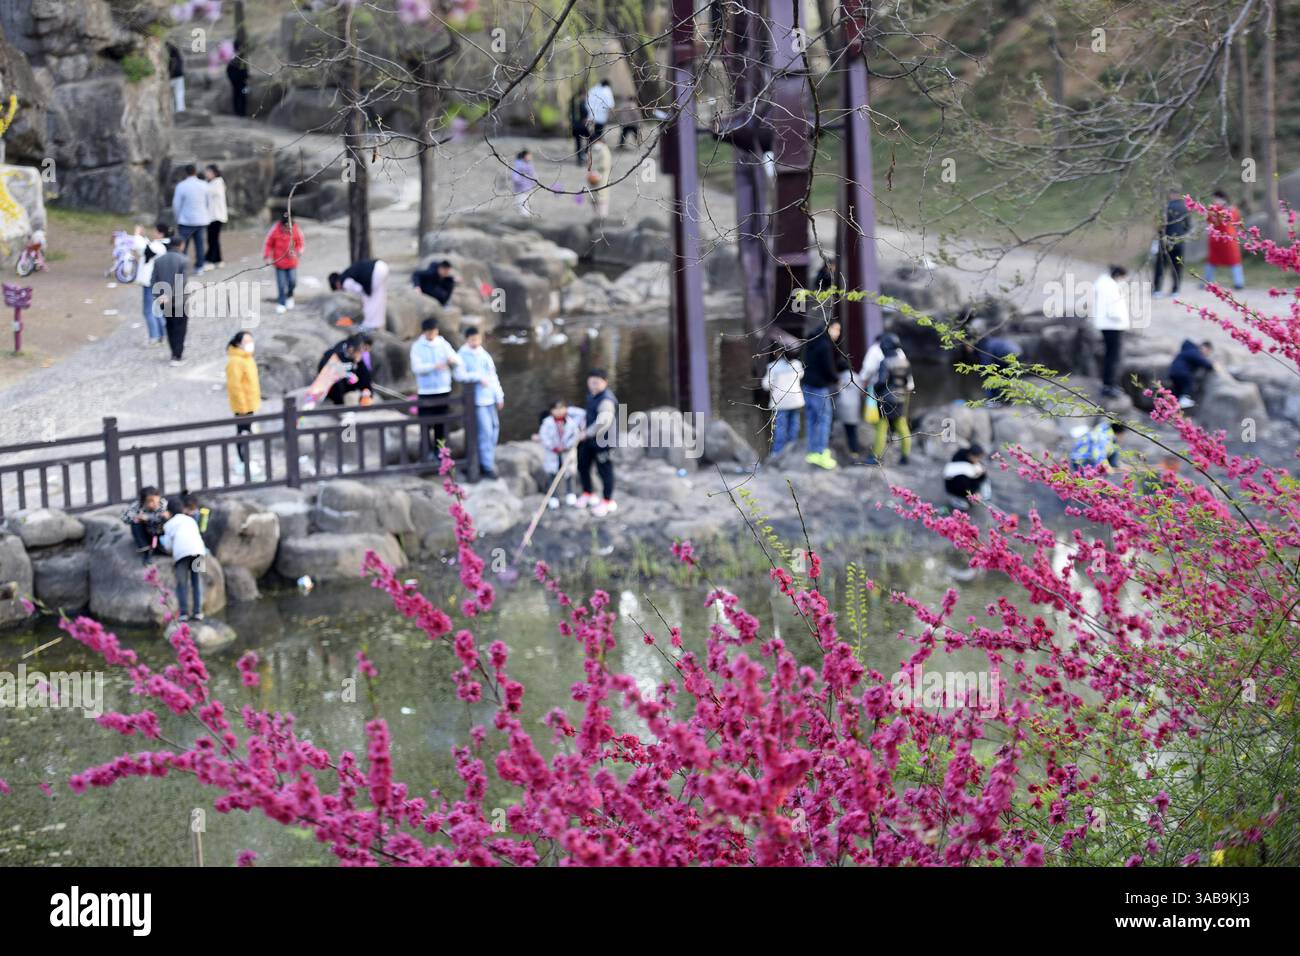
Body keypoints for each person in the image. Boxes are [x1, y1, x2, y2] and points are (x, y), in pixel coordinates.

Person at [409, 317, 463, 458]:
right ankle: (425, 454)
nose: (432, 334)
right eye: (429, 332)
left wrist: (452, 361)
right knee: (425, 424)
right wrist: (434, 366)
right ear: (425, 332)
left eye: (434, 331)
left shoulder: (443, 344)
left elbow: (457, 359)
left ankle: (442, 454)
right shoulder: (417, 347)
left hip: (443, 390)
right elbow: (417, 367)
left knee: (442, 424)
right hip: (426, 391)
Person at [458, 326, 505, 479]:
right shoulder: (462, 355)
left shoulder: (484, 355)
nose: (475, 342)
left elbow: (493, 376)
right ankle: (486, 465)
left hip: (489, 398)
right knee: (485, 432)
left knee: (494, 429)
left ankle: (487, 459)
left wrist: (499, 396)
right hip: (476, 401)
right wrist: (478, 377)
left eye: (477, 339)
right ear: (467, 339)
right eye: (472, 340)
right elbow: (460, 375)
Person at [865, 332, 914, 466]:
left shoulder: (885, 362)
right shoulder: (905, 362)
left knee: (881, 427)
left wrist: (872, 390)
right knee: (902, 426)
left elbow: (882, 382)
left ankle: (875, 457)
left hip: (886, 400)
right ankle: (905, 456)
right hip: (901, 399)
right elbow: (906, 382)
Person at [801, 318, 841, 469]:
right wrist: (837, 379)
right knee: (824, 420)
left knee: (811, 420)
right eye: (836, 329)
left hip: (807, 386)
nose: (838, 334)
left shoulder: (812, 340)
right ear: (828, 328)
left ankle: (811, 452)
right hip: (819, 388)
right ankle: (821, 453)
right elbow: (828, 369)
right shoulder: (825, 345)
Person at [577, 368, 618, 516]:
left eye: (597, 382)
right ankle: (588, 493)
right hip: (589, 440)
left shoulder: (606, 400)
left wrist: (586, 433)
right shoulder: (591, 395)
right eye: (591, 382)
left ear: (605, 382)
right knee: (583, 465)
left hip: (603, 442)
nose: (593, 385)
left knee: (604, 470)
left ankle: (607, 501)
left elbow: (603, 422)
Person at [162, 493, 208, 622]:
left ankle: (183, 613)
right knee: (197, 581)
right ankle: (198, 612)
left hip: (182, 555)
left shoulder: (169, 524)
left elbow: (168, 546)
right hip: (199, 552)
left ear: (169, 512)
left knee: (182, 583)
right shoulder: (191, 520)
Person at [537, 400, 585, 508]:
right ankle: (553, 497)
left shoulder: (571, 422)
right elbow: (543, 437)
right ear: (551, 411)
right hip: (553, 454)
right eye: (556, 409)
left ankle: (571, 493)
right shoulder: (547, 423)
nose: (559, 411)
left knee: (569, 474)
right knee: (552, 475)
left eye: (561, 408)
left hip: (567, 453)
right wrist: (553, 447)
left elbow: (575, 436)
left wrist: (567, 446)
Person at [1091, 264, 1130, 399]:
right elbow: (1114, 308)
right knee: (1113, 357)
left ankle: (1109, 384)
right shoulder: (1110, 287)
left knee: (1110, 355)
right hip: (1113, 325)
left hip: (1106, 324)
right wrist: (1122, 319)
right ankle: (1110, 385)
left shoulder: (1103, 285)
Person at [225, 330, 261, 472]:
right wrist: (243, 407)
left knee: (247, 433)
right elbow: (235, 387)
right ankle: (243, 461)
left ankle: (247, 460)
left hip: (251, 403)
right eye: (246, 341)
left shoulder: (247, 358)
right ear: (238, 343)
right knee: (242, 433)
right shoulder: (235, 361)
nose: (249, 344)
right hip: (243, 406)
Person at [131, 222, 171, 346]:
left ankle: (154, 337)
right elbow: (148, 247)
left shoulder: (159, 246)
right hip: (158, 282)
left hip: (150, 282)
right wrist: (142, 237)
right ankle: (162, 335)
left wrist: (137, 235)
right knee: (158, 310)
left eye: (155, 231)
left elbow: (145, 250)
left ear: (160, 233)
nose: (153, 233)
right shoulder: (165, 245)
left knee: (149, 311)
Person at [761, 344, 805, 456]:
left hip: (780, 402)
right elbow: (801, 376)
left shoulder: (773, 366)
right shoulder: (797, 364)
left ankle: (777, 453)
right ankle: (792, 452)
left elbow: (766, 385)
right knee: (794, 427)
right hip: (795, 400)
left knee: (780, 429)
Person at [151, 243, 189, 366]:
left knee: (170, 326)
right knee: (180, 328)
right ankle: (177, 355)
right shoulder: (184, 260)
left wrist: (160, 296)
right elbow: (182, 282)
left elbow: (153, 280)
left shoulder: (158, 261)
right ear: (181, 245)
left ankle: (173, 351)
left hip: (164, 300)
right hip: (179, 300)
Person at [329, 258, 389, 330]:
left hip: (375, 272)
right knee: (378, 297)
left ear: (337, 284)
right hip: (382, 265)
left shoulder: (344, 281)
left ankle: (369, 325)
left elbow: (359, 290)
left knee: (369, 300)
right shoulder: (347, 273)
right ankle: (380, 323)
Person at [263, 211, 304, 313]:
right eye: (284, 225)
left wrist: (297, 252)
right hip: (279, 263)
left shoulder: (295, 229)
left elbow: (300, 243)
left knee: (292, 282)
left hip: (292, 262)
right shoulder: (275, 230)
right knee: (281, 284)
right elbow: (268, 243)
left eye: (288, 225)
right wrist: (267, 256)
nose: (286, 227)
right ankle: (281, 303)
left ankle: (290, 296)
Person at [171, 164, 210, 272]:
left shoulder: (181, 186)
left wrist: (178, 217)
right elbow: (208, 202)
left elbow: (176, 204)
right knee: (200, 245)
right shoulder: (204, 185)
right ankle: (199, 267)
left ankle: (182, 268)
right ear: (195, 172)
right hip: (201, 219)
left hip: (186, 220)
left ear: (185, 172)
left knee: (182, 246)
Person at [1205, 189, 1245, 290]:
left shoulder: (1214, 209)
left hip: (1220, 240)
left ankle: (1207, 281)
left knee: (1213, 261)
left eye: (1214, 198)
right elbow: (1238, 222)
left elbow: (1209, 220)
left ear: (1218, 198)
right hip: (1228, 240)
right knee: (1234, 261)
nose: (1213, 201)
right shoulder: (1233, 209)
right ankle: (1238, 282)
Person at [318, 334, 373, 406]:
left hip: (348, 382)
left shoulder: (356, 355)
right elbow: (329, 370)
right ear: (351, 349)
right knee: (337, 382)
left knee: (364, 372)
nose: (362, 354)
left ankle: (365, 396)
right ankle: (340, 406)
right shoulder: (335, 353)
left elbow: (364, 373)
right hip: (333, 385)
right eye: (361, 351)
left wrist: (366, 389)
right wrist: (347, 375)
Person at [1153, 189, 1189, 296]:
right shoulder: (1185, 208)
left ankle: (1157, 289)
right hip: (1179, 241)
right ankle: (1175, 290)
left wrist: (1160, 234)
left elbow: (1158, 225)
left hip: (1165, 240)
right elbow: (1188, 226)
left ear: (1171, 195)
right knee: (1177, 266)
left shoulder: (1165, 207)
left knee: (1160, 266)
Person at [122, 486, 170, 564]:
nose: (155, 504)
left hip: (160, 531)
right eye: (151, 501)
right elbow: (125, 517)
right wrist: (137, 517)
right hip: (146, 532)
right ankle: (146, 551)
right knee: (136, 523)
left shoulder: (163, 503)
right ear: (143, 501)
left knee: (164, 520)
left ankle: (161, 548)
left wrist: (149, 518)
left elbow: (166, 516)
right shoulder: (137, 505)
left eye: (156, 501)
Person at [1167, 339, 1215, 409]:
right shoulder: (1194, 351)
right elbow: (1205, 363)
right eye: (1208, 352)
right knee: (1189, 384)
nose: (1206, 355)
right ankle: (1184, 400)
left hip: (1173, 372)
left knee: (1178, 389)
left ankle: (1172, 406)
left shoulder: (1189, 349)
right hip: (1181, 372)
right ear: (1204, 347)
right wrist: (1213, 366)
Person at [943, 444, 991, 511]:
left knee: (984, 476)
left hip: (967, 483)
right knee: (964, 506)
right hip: (956, 488)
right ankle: (956, 499)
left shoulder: (968, 456)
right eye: (978, 458)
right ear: (971, 455)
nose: (979, 460)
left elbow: (980, 472)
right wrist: (974, 494)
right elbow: (964, 486)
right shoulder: (960, 469)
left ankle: (982, 495)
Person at [204, 164, 228, 269]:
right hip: (212, 216)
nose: (207, 174)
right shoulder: (211, 183)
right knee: (213, 238)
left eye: (208, 172)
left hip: (217, 216)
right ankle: (218, 260)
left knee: (212, 239)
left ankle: (211, 261)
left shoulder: (218, 182)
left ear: (214, 172)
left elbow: (210, 192)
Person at [587, 134, 613, 221]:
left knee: (602, 196)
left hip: (602, 176)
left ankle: (602, 217)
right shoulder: (592, 150)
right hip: (593, 176)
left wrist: (595, 170)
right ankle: (596, 217)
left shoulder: (604, 150)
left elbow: (605, 164)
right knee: (594, 197)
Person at [226, 42, 250, 118]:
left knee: (243, 96)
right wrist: (233, 80)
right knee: (237, 96)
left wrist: (245, 77)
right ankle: (238, 112)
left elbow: (246, 70)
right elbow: (229, 70)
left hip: (242, 82)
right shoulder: (234, 58)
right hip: (236, 82)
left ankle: (242, 112)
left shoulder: (243, 59)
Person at [511, 148, 536, 217]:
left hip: (528, 187)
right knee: (522, 202)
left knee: (528, 201)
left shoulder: (529, 164)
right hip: (521, 188)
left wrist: (533, 183)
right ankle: (524, 216)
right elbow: (515, 177)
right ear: (525, 156)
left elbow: (533, 175)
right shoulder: (519, 164)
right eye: (529, 155)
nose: (531, 157)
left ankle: (526, 215)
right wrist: (520, 183)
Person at [570, 93, 592, 164]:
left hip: (575, 127)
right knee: (590, 138)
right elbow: (585, 114)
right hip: (582, 126)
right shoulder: (581, 104)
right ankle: (584, 153)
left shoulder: (572, 105)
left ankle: (579, 157)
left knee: (578, 142)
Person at [167, 42, 185, 113]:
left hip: (171, 77)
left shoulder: (170, 56)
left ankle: (172, 109)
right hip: (179, 76)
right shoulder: (177, 55)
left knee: (170, 95)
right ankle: (180, 109)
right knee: (179, 94)